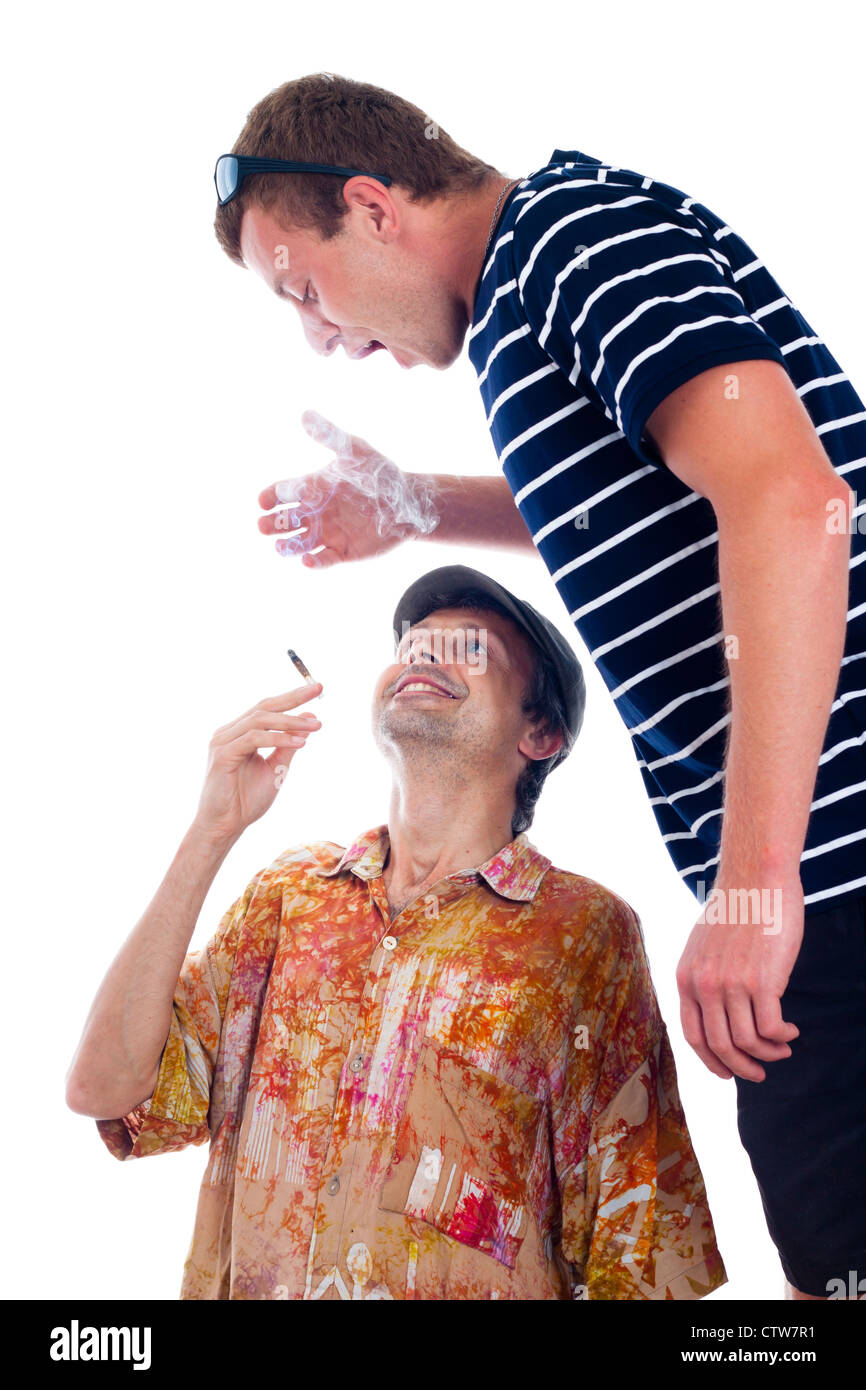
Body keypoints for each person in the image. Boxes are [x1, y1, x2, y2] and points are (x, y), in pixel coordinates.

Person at [211, 74, 866, 1301]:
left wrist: (755, 879)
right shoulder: (525, 301)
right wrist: (419, 507)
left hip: (837, 868)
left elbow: (790, 502)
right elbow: (641, 485)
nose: (323, 336)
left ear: (372, 204)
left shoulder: (570, 239)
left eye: (304, 287)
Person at [65, 565, 725, 1301]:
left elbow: (643, 1257)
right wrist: (211, 830)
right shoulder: (288, 897)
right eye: (411, 646)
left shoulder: (582, 935)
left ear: (540, 731)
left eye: (469, 649)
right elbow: (103, 1087)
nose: (422, 657)